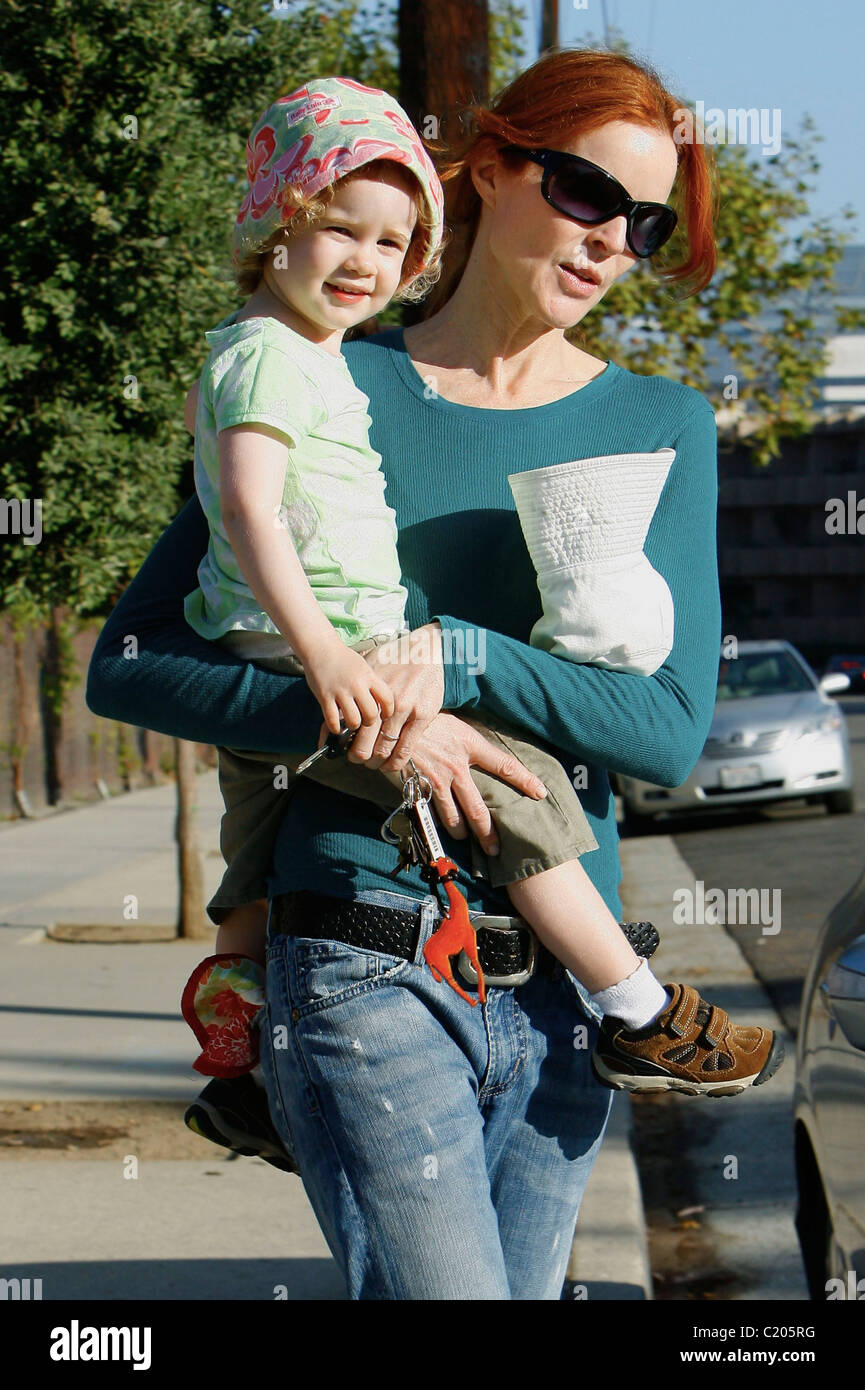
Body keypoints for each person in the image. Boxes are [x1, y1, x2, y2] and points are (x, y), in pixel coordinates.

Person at [88, 49, 781, 1299]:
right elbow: (133, 665)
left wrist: (464, 657)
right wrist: (374, 722)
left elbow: (667, 730)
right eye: (585, 192)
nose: (611, 240)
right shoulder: (318, 367)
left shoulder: (661, 423)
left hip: (572, 990)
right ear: (493, 167)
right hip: (360, 949)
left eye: (643, 222)